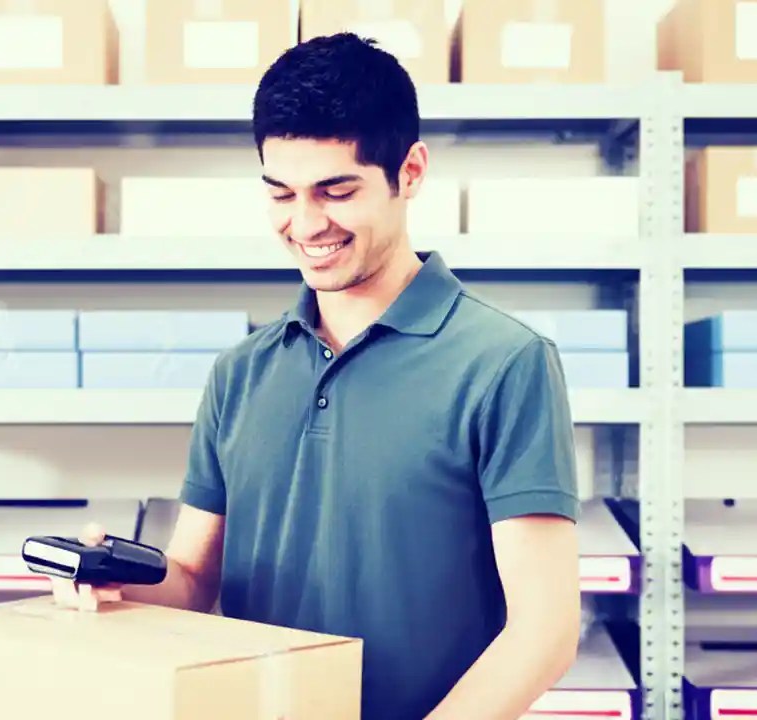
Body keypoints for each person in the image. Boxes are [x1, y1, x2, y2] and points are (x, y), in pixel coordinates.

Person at [52, 32, 581, 720]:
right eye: (281, 193)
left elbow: (544, 634)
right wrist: (118, 581)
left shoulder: (504, 362)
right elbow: (191, 581)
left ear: (411, 172)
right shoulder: (239, 373)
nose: (305, 224)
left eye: (336, 190)